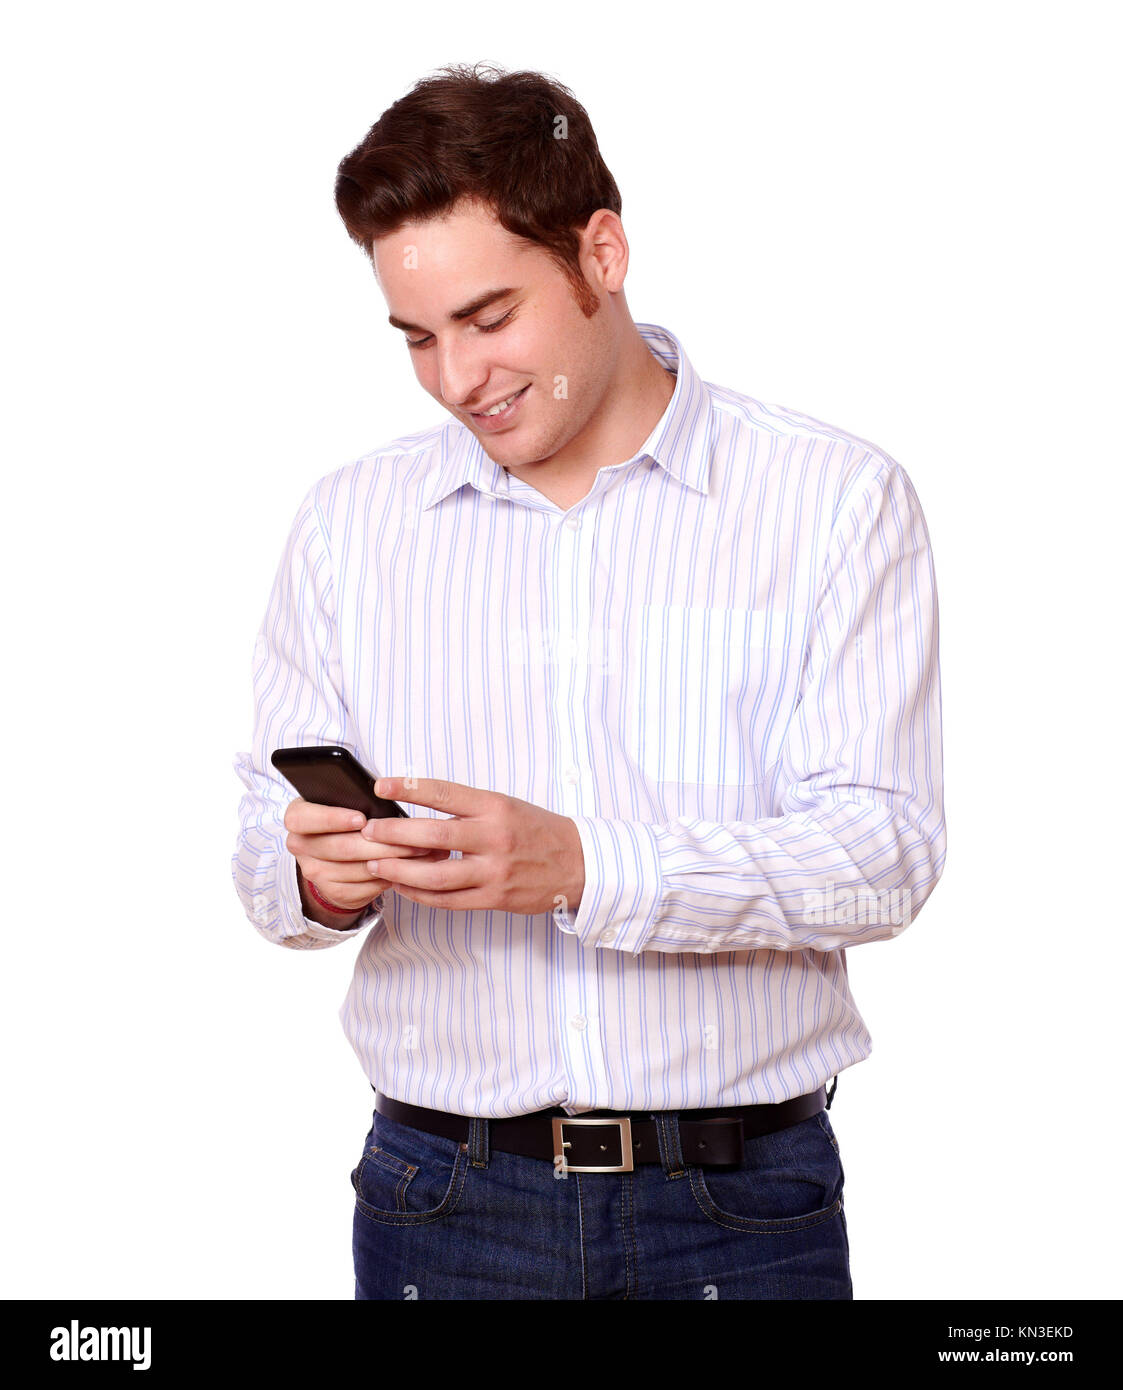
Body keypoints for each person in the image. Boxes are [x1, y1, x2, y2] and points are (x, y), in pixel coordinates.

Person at [231, 62, 945, 1301]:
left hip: (737, 1207)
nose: (458, 379)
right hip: (438, 1199)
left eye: (489, 316)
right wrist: (314, 874)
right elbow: (257, 847)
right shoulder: (349, 526)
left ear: (600, 253)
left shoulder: (832, 500)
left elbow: (883, 853)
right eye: (418, 337)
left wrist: (586, 867)